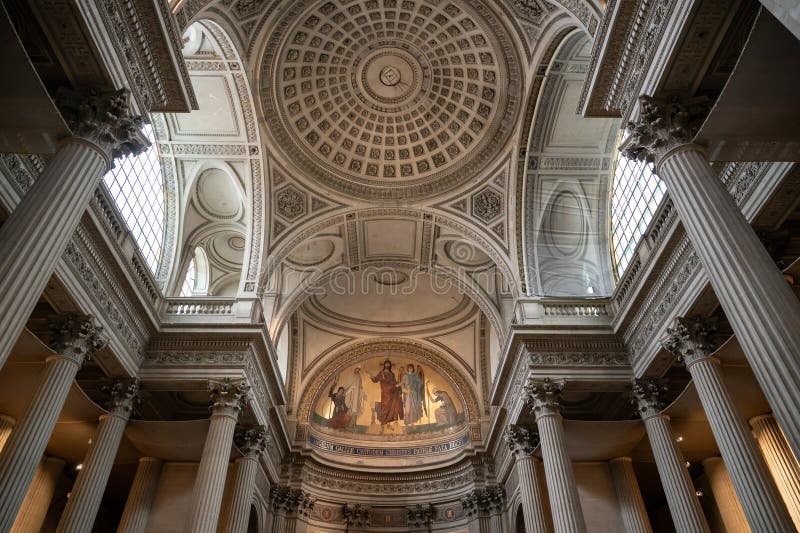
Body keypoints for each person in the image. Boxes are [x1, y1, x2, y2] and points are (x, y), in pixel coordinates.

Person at [370, 359, 404, 425]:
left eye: (388, 364)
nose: (387, 365)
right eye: (386, 364)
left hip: (392, 391)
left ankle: (389, 421)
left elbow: (394, 382)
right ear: (384, 365)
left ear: (390, 365)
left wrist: (398, 384)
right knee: (385, 406)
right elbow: (376, 380)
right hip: (385, 391)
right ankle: (384, 421)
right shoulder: (381, 373)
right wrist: (371, 377)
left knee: (392, 406)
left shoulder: (392, 374)